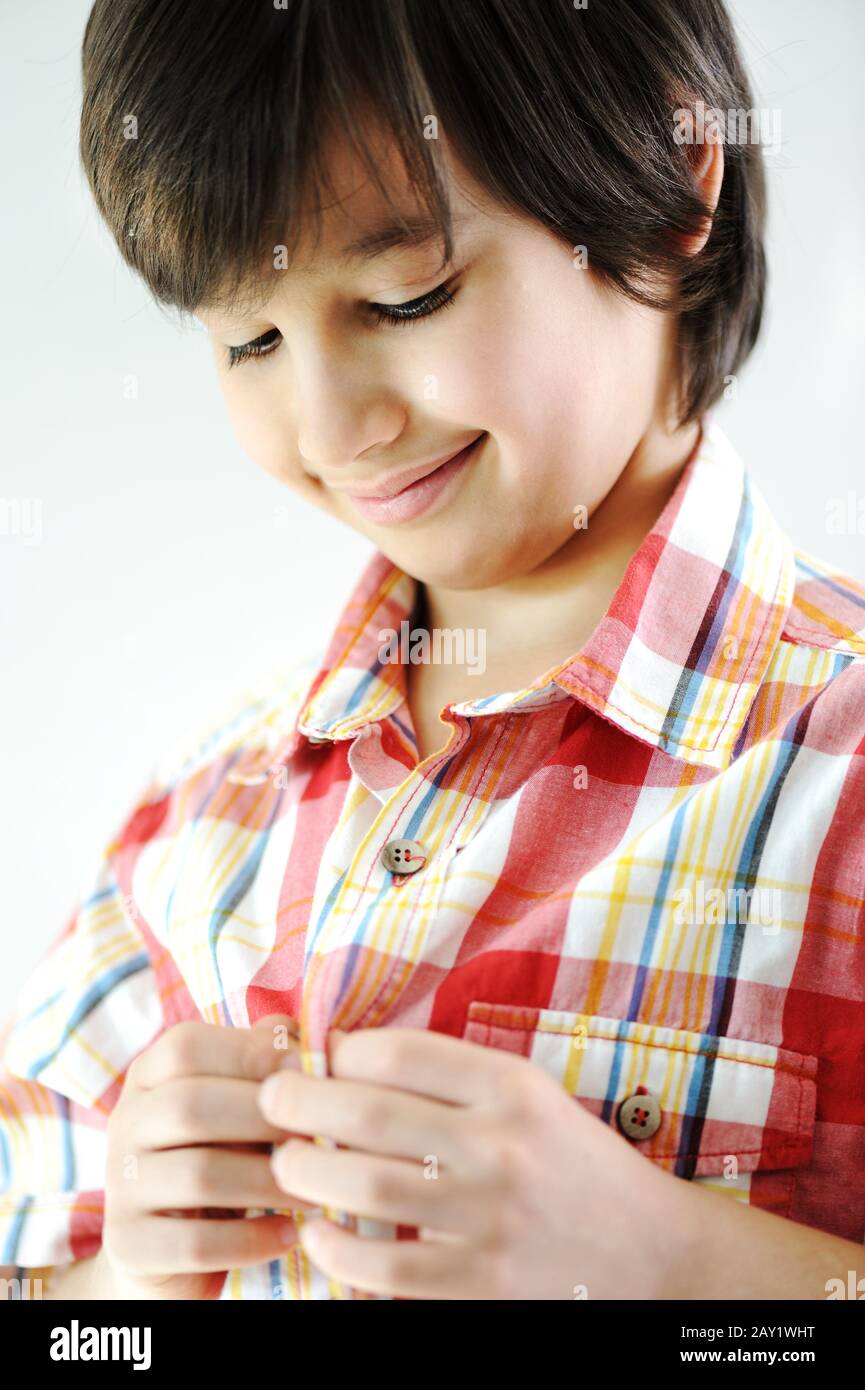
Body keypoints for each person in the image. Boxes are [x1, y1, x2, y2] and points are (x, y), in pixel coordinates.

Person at [3, 0, 864, 1301]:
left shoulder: (839, 768)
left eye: (408, 296)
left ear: (672, 168)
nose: (332, 423)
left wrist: (678, 1264)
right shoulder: (195, 826)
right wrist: (124, 1277)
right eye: (248, 338)